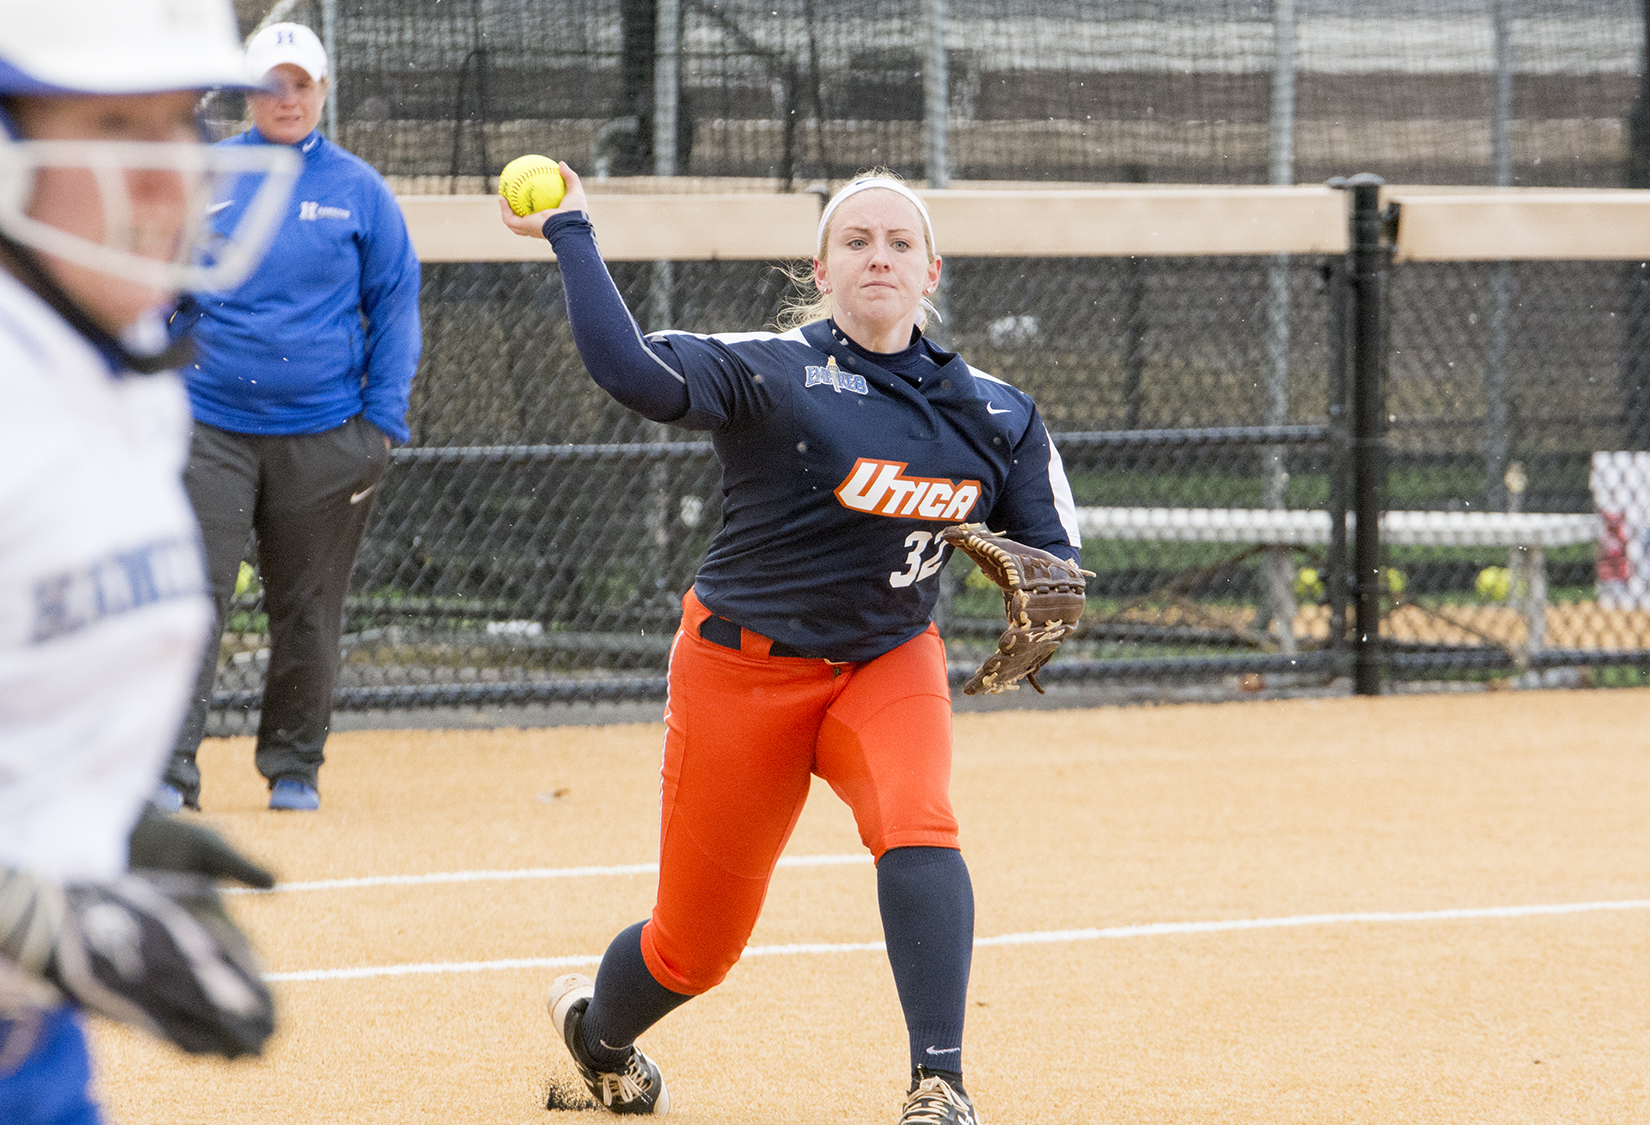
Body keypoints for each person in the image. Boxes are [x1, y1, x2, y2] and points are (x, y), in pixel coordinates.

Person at [498, 167, 1084, 1124]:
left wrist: (1050, 583)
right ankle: (599, 1039)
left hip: (888, 657)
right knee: (695, 948)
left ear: (931, 270)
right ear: (821, 269)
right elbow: (631, 373)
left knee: (919, 817)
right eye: (856, 241)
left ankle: (940, 1084)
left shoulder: (998, 413)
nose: (879, 256)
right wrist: (571, 232)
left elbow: (1055, 555)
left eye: (900, 242)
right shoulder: (768, 369)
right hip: (741, 670)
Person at [0, 0, 299, 1121]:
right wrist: (23, 908)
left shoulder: (108, 362)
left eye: (180, 120)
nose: (174, 173)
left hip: (25, 1064)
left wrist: (91, 827)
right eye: (112, 126)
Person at [156, 21, 423, 814]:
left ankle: (294, 766)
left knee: (307, 610)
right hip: (209, 429)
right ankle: (169, 773)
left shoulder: (360, 190)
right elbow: (158, 287)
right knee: (192, 600)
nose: (288, 98)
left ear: (323, 91)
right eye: (273, 84)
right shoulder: (206, 174)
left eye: (302, 84)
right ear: (250, 92)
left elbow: (395, 303)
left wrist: (380, 422)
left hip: (325, 436)